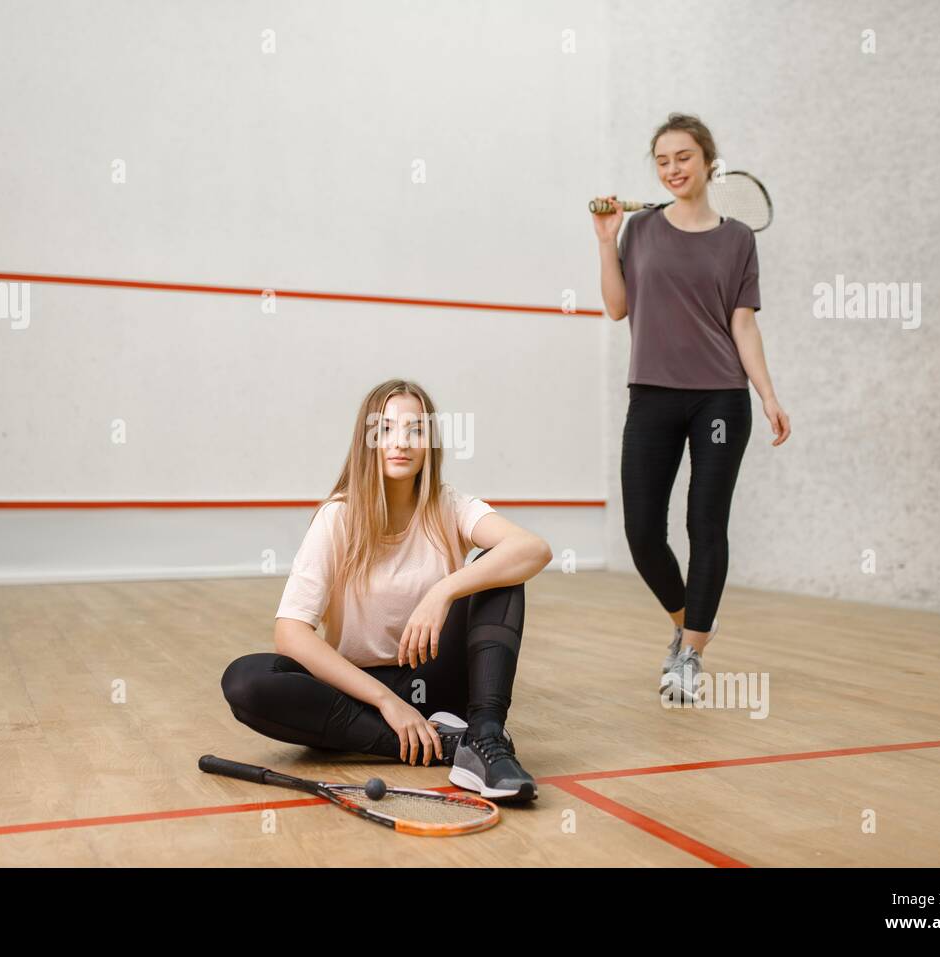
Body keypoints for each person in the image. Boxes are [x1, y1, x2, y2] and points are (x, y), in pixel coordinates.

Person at [220, 379, 552, 802]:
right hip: (358, 693)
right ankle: (443, 745)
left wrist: (443, 592)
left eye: (415, 429)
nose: (402, 442)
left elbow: (533, 549)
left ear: (429, 443)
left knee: (500, 570)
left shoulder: (448, 504)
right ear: (368, 441)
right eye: (387, 429)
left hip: (435, 682)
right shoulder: (338, 517)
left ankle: (485, 736)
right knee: (247, 681)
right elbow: (290, 633)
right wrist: (386, 701)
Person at [593, 112, 792, 703]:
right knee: (642, 531)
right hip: (651, 393)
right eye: (661, 160)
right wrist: (607, 243)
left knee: (705, 525)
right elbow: (616, 307)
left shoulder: (738, 239)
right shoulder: (641, 229)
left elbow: (743, 324)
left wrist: (768, 393)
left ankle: (692, 654)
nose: (672, 168)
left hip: (720, 399)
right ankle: (684, 624)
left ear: (708, 161)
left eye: (683, 157)